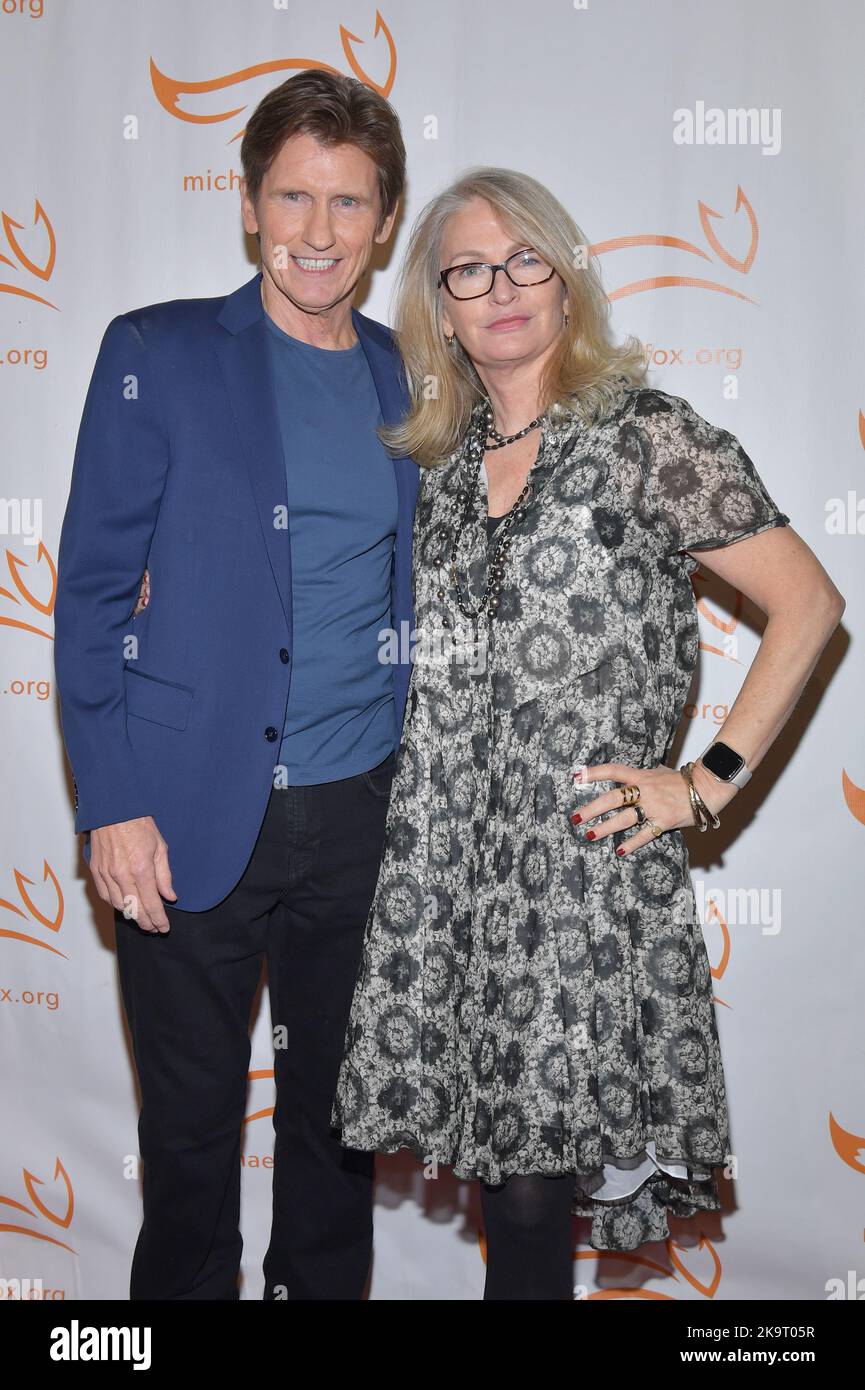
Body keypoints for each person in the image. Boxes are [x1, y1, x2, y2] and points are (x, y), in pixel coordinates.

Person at [331, 166, 846, 1300]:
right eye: (469, 268)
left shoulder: (647, 438)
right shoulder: (439, 469)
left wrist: (702, 781)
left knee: (529, 1195)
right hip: (450, 867)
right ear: (442, 307)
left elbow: (809, 604)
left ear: (567, 283)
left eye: (526, 259)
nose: (501, 285)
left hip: (577, 869)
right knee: (501, 1187)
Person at [53, 70, 418, 1300]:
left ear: (385, 218)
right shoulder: (155, 352)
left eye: (349, 202)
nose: (319, 232)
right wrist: (109, 800)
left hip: (358, 816)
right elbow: (93, 598)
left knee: (334, 1133)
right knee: (192, 1139)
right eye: (294, 197)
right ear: (250, 205)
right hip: (185, 809)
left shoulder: (408, 377)